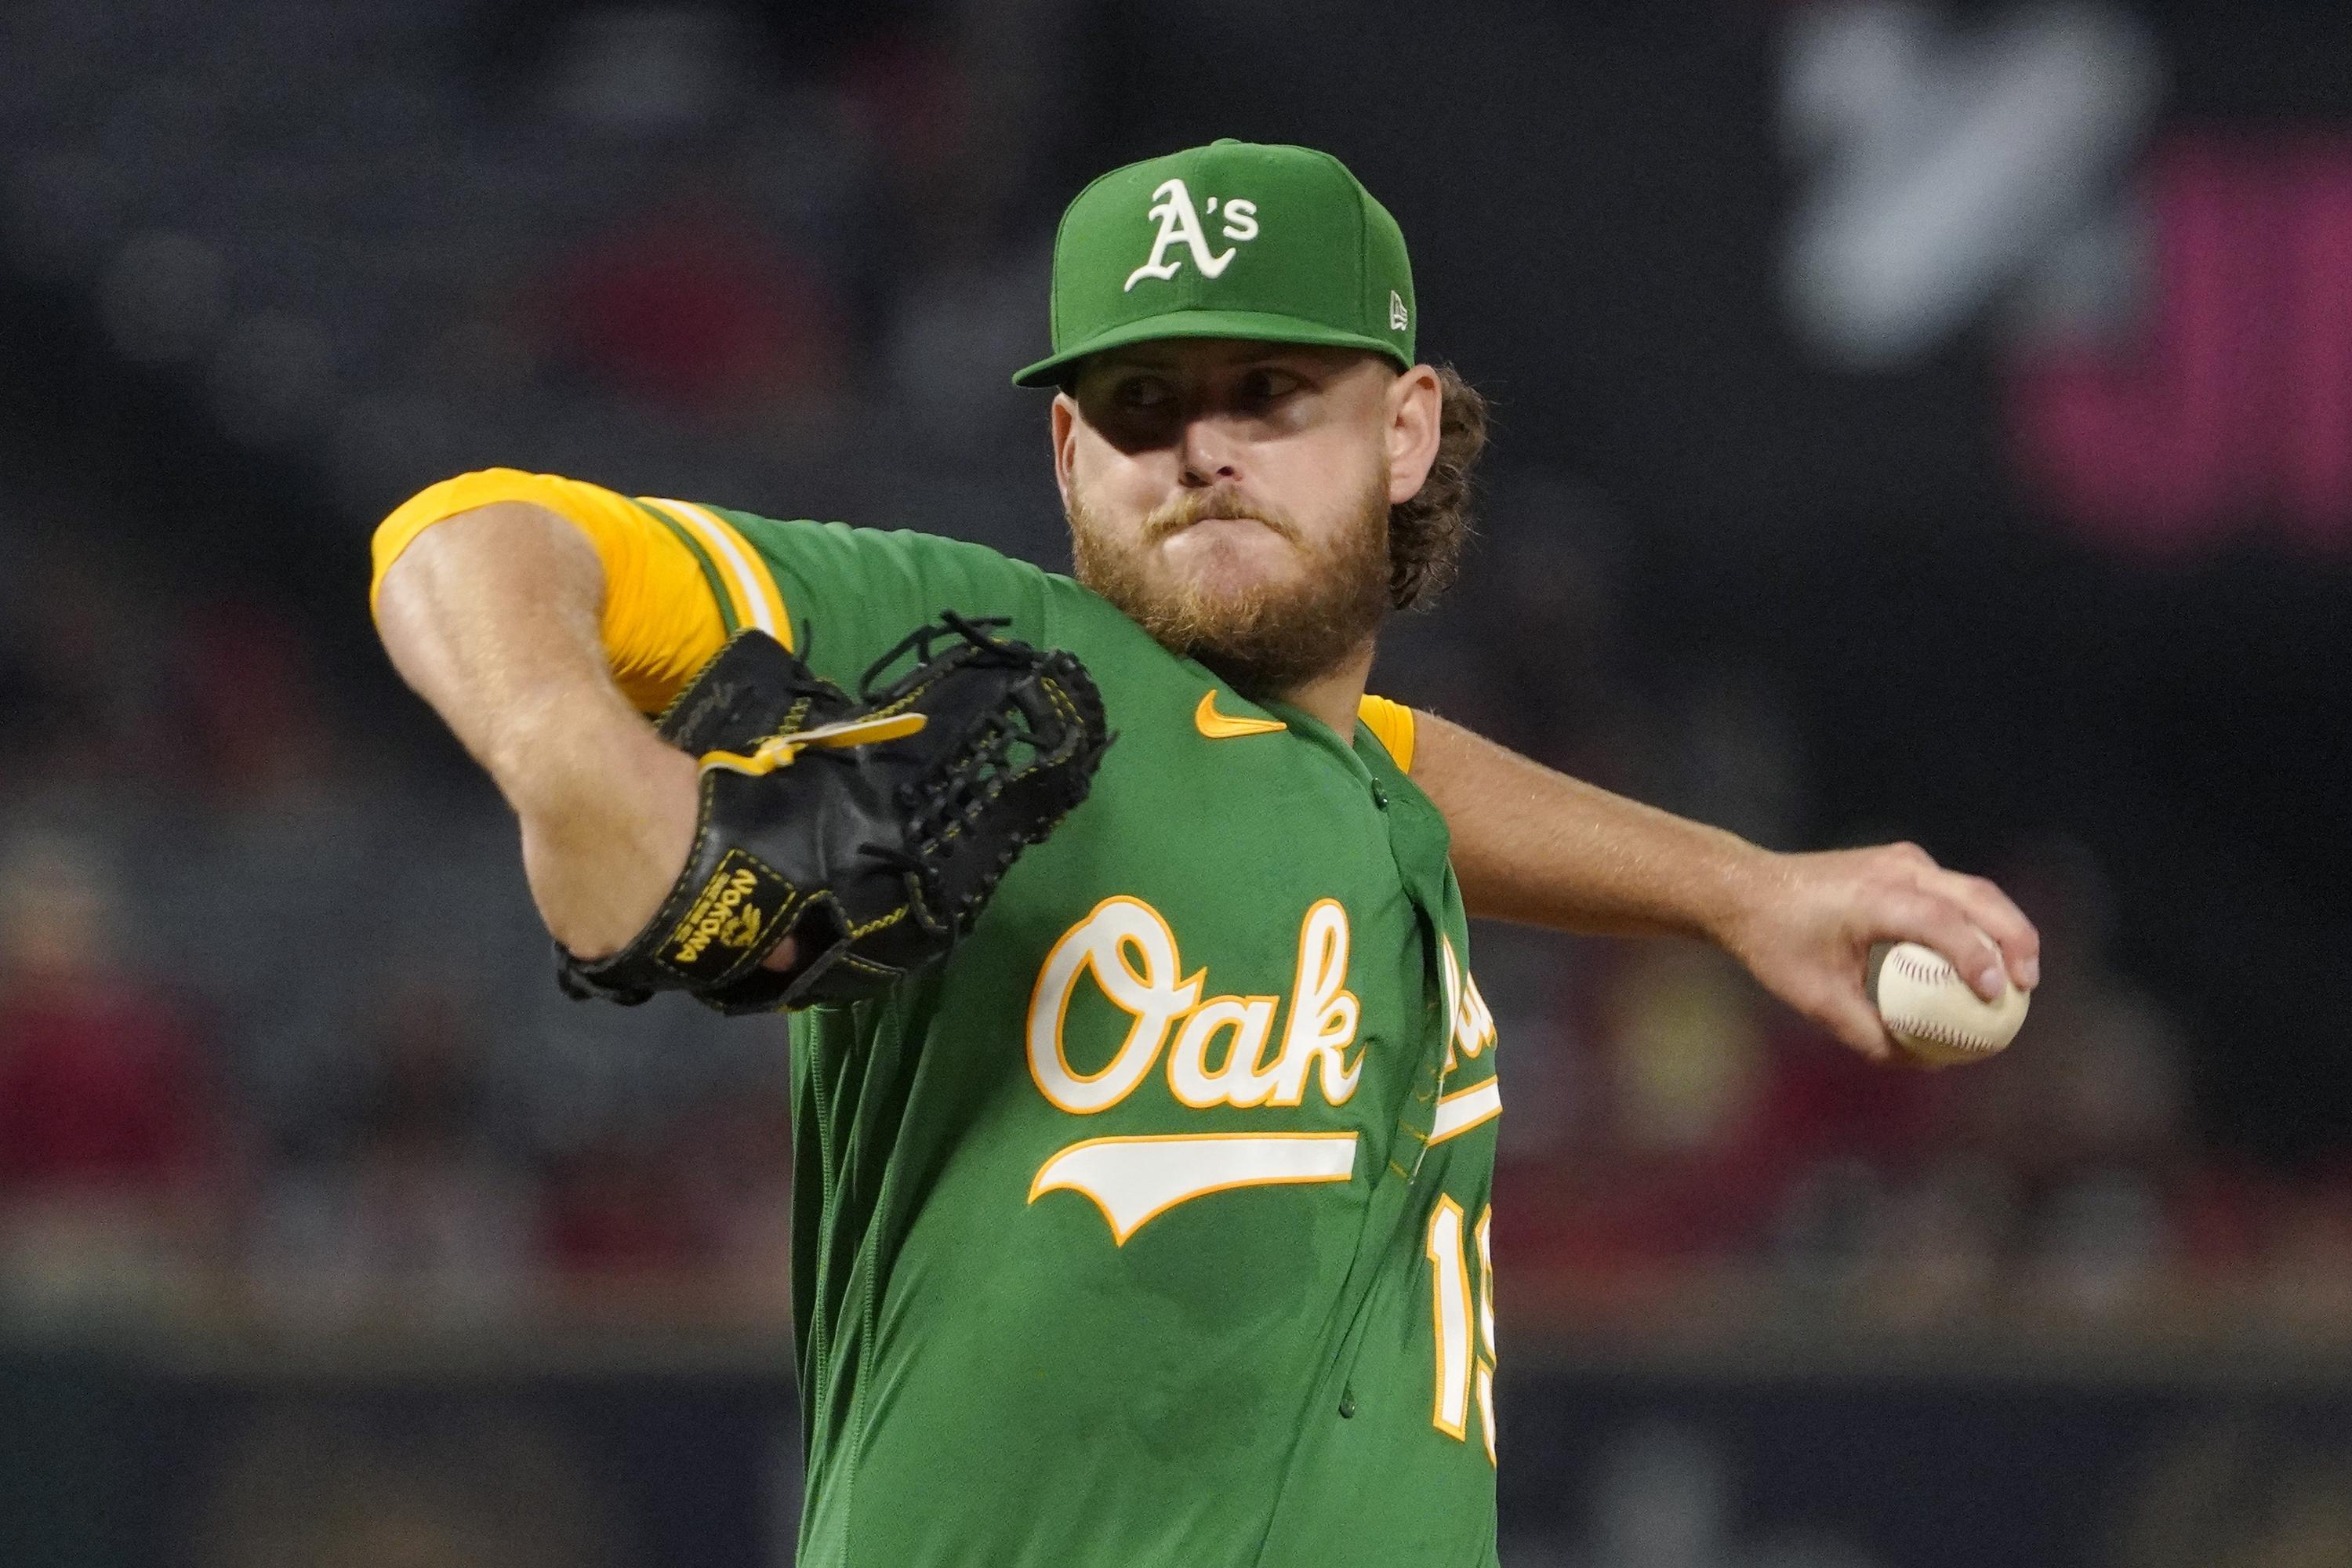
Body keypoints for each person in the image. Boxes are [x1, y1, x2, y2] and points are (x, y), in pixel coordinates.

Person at [370, 140, 2038, 1567]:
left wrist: (1748, 890)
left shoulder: (1355, 786)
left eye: (1270, 393)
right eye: (1141, 402)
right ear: (1067, 454)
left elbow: (1381, 767)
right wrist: (586, 770)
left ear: (1405, 430)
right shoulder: (990, 652)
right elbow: (463, 536)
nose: (1203, 447)